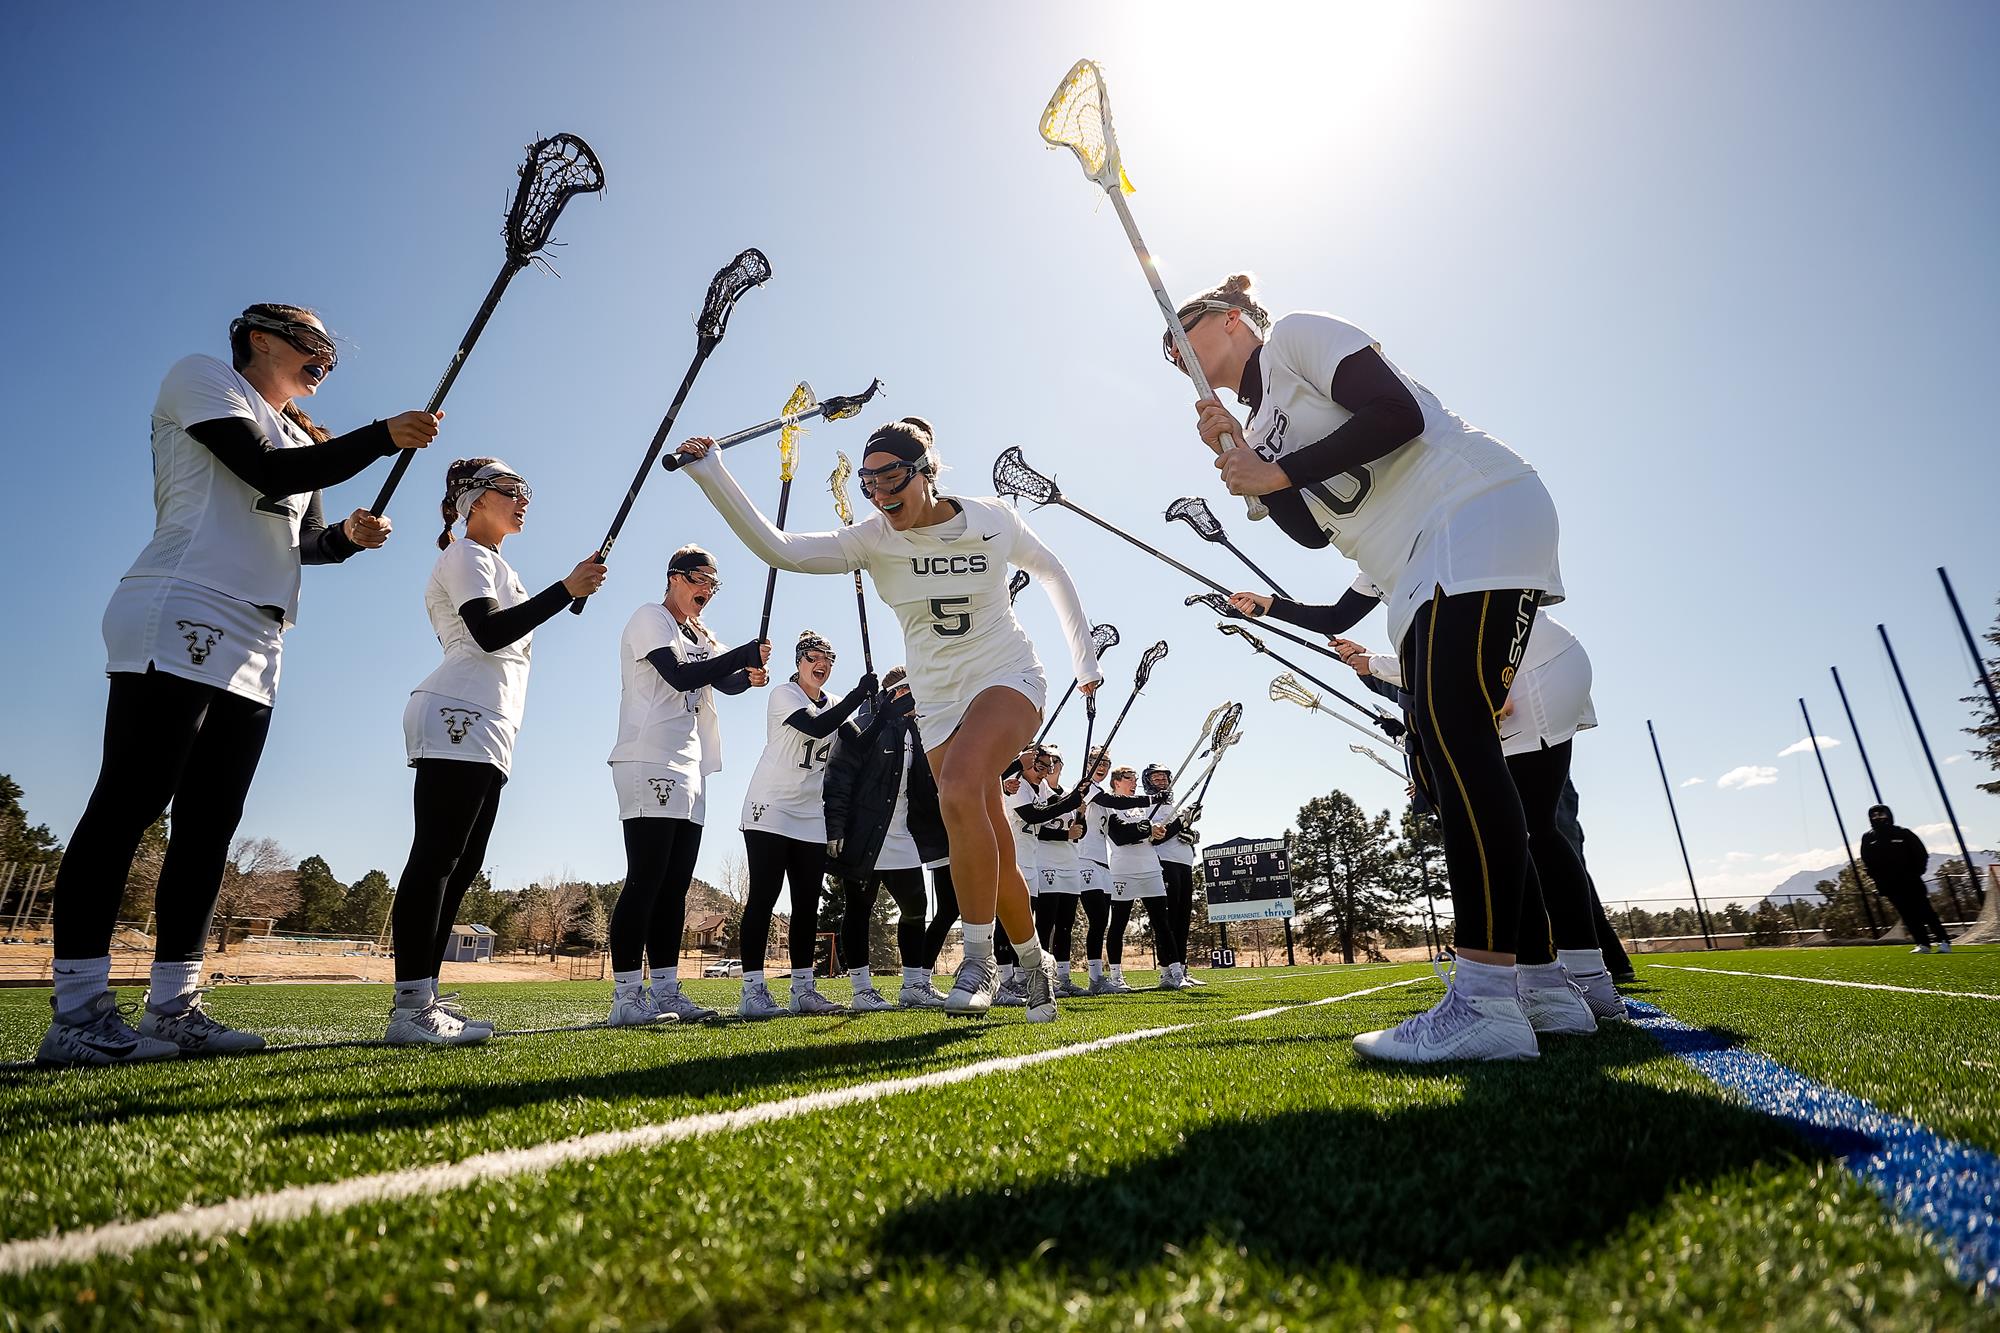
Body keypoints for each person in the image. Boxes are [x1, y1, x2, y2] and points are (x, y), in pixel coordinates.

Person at [1176, 273, 1563, 1064]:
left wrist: (1274, 471)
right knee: (1453, 759)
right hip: (1416, 560)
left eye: (1181, 328)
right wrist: (1240, 453)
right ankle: (1548, 990)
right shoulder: (1259, 422)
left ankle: (1487, 999)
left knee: (1458, 744)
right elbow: (1313, 533)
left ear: (1231, 318)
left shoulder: (1294, 336)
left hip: (1467, 511)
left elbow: (1398, 413)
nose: (1171, 348)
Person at [39, 304, 437, 1066]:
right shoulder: (204, 379)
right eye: (313, 344)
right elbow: (263, 471)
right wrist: (382, 436)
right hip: (184, 602)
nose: (325, 360)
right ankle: (79, 1010)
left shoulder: (305, 437)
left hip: (259, 640)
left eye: (332, 353)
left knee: (210, 823)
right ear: (260, 338)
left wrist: (347, 538)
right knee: (131, 801)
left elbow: (302, 538)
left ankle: (173, 1006)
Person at [676, 418, 1101, 1022]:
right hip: (938, 700)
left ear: (925, 471)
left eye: (891, 478)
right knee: (991, 836)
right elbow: (780, 548)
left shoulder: (992, 519)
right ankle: (1034, 967)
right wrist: (711, 472)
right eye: (868, 482)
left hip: (1008, 676)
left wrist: (1085, 660)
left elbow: (1052, 569)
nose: (878, 493)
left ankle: (978, 961)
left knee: (959, 787)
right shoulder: (873, 539)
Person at [388, 459, 607, 1044]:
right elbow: (488, 633)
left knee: (462, 866)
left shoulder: (498, 565)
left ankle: (425, 997)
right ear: (475, 500)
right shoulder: (466, 555)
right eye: (512, 490)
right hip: (457, 709)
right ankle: (409, 1006)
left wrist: (566, 591)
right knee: (437, 857)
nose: (523, 500)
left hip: (492, 721)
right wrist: (566, 589)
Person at [1318, 602, 1616, 1031]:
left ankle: (1558, 986)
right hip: (1536, 669)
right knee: (1536, 833)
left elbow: (1445, 660)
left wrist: (1373, 664)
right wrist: (1369, 666)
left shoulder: (1436, 584)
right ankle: (1575, 982)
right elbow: (1424, 670)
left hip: (1522, 675)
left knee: (1526, 834)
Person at [606, 546, 769, 1025]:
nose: (708, 590)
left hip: (693, 766)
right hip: (648, 756)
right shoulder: (650, 618)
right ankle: (625, 997)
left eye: (714, 584)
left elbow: (724, 680)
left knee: (675, 886)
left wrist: (749, 673)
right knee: (646, 878)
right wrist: (739, 655)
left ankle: (665, 990)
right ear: (674, 577)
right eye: (701, 579)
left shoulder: (701, 632)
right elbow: (679, 676)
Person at [734, 631, 875, 1018]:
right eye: (813, 656)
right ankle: (752, 990)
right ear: (798, 662)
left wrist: (883, 710)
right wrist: (857, 696)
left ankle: (803, 990)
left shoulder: (834, 702)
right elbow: (816, 727)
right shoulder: (784, 694)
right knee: (764, 897)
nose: (821, 664)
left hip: (809, 813)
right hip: (771, 806)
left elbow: (861, 744)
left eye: (828, 659)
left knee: (807, 904)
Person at [824, 667, 950, 1009]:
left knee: (916, 907)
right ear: (897, 692)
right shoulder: (863, 725)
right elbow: (838, 777)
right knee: (859, 909)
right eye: (913, 690)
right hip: (864, 834)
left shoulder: (920, 731)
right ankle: (861, 990)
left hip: (901, 836)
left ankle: (913, 985)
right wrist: (835, 827)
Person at [1099, 766, 1178, 990]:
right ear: (1116, 782)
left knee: (1162, 923)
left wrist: (1162, 830)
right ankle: (1116, 977)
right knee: (1118, 924)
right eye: (1129, 779)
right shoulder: (1109, 805)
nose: (1134, 783)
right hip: (1123, 871)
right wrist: (1146, 829)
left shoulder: (1141, 807)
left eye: (1135, 779)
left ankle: (1173, 973)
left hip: (1151, 868)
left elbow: (1151, 836)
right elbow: (1120, 836)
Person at [1859, 805, 1952, 953]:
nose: (1878, 818)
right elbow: (1867, 860)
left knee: (1926, 911)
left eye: (1881, 815)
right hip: (1889, 885)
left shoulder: (1903, 833)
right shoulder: (1868, 838)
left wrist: (1915, 873)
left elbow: (1921, 854)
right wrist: (1877, 877)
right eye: (1874, 815)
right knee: (1908, 915)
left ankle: (1943, 942)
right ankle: (1922, 944)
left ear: (1888, 815)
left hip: (1911, 882)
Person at [1143, 764, 1201, 989]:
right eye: (1156, 778)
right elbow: (1157, 837)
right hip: (1164, 863)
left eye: (1164, 778)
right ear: (1148, 782)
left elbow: (1179, 832)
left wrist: (1191, 833)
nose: (1161, 782)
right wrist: (1182, 822)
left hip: (1185, 863)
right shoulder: (1147, 806)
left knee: (1183, 919)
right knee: (1168, 919)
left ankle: (1183, 969)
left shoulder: (1174, 805)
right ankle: (1167, 972)